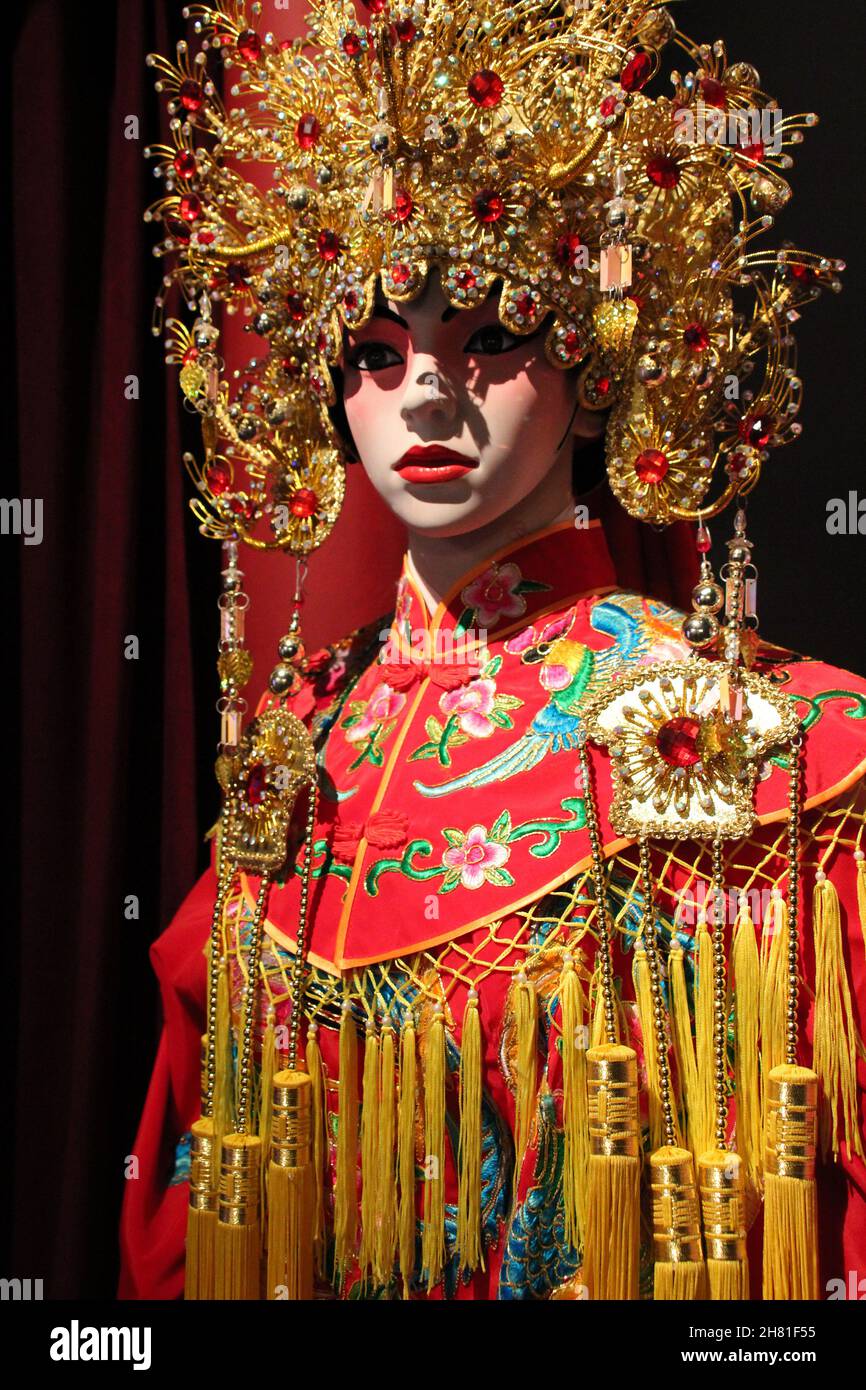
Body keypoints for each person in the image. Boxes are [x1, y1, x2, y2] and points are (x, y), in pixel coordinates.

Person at [120, 0, 866, 1301]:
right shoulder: (304, 748)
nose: (422, 393)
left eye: (488, 337)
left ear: (597, 360)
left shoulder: (780, 749)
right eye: (374, 350)